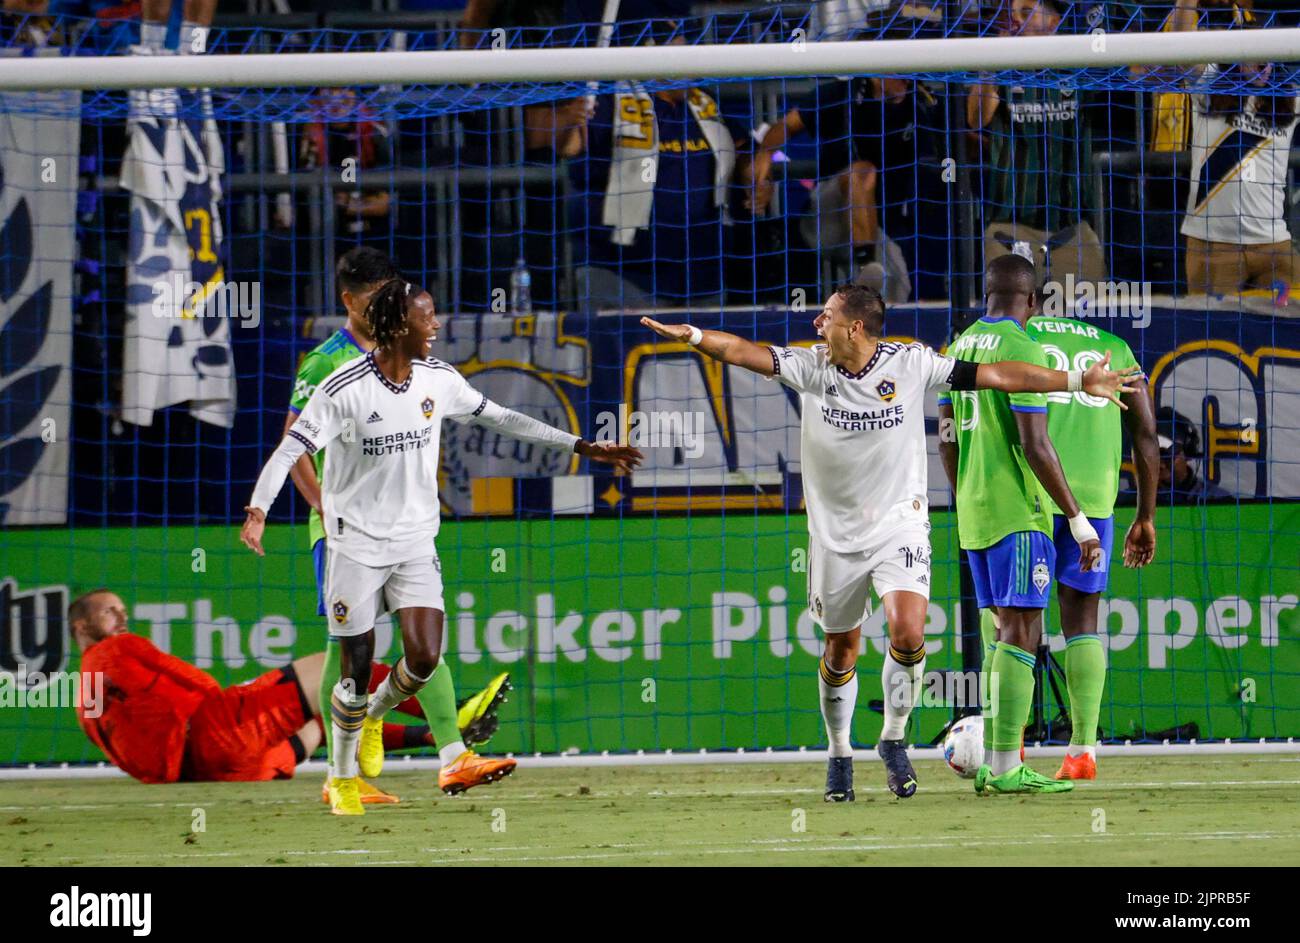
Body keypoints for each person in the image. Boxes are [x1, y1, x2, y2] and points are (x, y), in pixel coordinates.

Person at [641, 284, 1136, 801]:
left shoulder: (911, 363)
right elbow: (743, 353)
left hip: (901, 524)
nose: (816, 323)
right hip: (834, 536)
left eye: (826, 315)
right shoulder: (812, 368)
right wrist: (694, 335)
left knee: (907, 630)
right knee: (841, 649)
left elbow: (998, 375)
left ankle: (894, 738)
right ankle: (839, 752)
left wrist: (1078, 379)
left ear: (854, 327)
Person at [243, 278, 642, 815]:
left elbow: (503, 417)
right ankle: (340, 779)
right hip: (353, 544)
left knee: (424, 658)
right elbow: (290, 450)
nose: (437, 326)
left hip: (414, 541)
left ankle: (379, 718)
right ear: (397, 326)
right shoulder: (342, 388)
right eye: (427, 317)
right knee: (354, 668)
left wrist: (579, 445)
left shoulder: (438, 379)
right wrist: (259, 508)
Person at [286, 247, 514, 805]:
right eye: (372, 297)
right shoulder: (324, 363)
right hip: (343, 527)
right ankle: (344, 773)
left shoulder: (411, 358)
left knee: (422, 639)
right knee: (347, 648)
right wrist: (323, 508)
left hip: (403, 525)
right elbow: (292, 448)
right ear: (349, 301)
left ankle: (452, 754)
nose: (386, 304)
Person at [937, 255, 1125, 795]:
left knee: (1002, 633)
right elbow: (1035, 444)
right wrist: (1077, 519)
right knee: (1024, 629)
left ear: (986, 292)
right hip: (1019, 511)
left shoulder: (962, 344)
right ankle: (1005, 767)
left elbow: (946, 438)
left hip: (974, 511)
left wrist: (965, 494)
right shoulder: (1023, 348)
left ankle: (1000, 760)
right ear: (1034, 302)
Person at [70, 589, 436, 784]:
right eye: (109, 611)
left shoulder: (82, 696)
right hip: (219, 732)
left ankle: (423, 737)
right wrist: (225, 707)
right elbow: (200, 682)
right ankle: (444, 720)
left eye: (121, 609)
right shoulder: (119, 647)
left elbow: (124, 753)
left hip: (207, 773)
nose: (123, 617)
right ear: (82, 627)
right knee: (344, 666)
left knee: (321, 723)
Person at [1021, 313, 1160, 780]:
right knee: (1082, 620)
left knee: (1010, 618)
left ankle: (1008, 746)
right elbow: (1145, 436)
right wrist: (1145, 516)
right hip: (1095, 498)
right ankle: (1082, 751)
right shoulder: (1115, 346)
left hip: (1030, 497)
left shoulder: (1015, 336)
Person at [568, 25, 749, 310]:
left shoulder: (706, 103)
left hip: (703, 274)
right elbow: (570, 147)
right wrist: (569, 117)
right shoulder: (609, 101)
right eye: (677, 52)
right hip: (625, 274)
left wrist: (759, 167)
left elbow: (742, 148)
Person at [747, 75, 936, 302]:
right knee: (861, 171)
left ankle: (865, 287)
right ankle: (865, 264)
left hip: (875, 226)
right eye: (901, 75)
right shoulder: (840, 94)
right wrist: (765, 158)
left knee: (894, 287)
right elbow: (786, 126)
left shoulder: (919, 105)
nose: (908, 81)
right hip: (827, 215)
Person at [967, 0, 1105, 287]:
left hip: (1073, 233)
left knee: (1089, 325)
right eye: (1013, 13)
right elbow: (976, 118)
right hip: (1009, 232)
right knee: (1007, 324)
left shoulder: (1079, 68)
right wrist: (993, 60)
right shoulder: (1002, 70)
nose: (1016, 20)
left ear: (1055, 22)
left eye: (1027, 10)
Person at [1171, 0, 1300, 295]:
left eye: (1268, 56)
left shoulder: (1290, 99)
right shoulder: (1208, 88)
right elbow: (1180, 44)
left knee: (1288, 334)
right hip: (1214, 246)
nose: (1261, 64)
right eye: (1253, 55)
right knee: (1210, 337)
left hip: (1273, 245)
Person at [301, 87, 393, 246]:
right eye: (330, 90)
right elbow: (310, 205)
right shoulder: (310, 134)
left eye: (344, 89)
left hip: (375, 230)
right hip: (326, 235)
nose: (337, 98)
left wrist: (348, 206)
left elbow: (385, 204)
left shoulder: (374, 130)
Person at [1155, 406, 1233, 501]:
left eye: (1167, 455)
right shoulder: (1135, 501)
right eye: (1152, 456)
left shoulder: (1220, 501)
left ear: (1187, 452)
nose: (1161, 464)